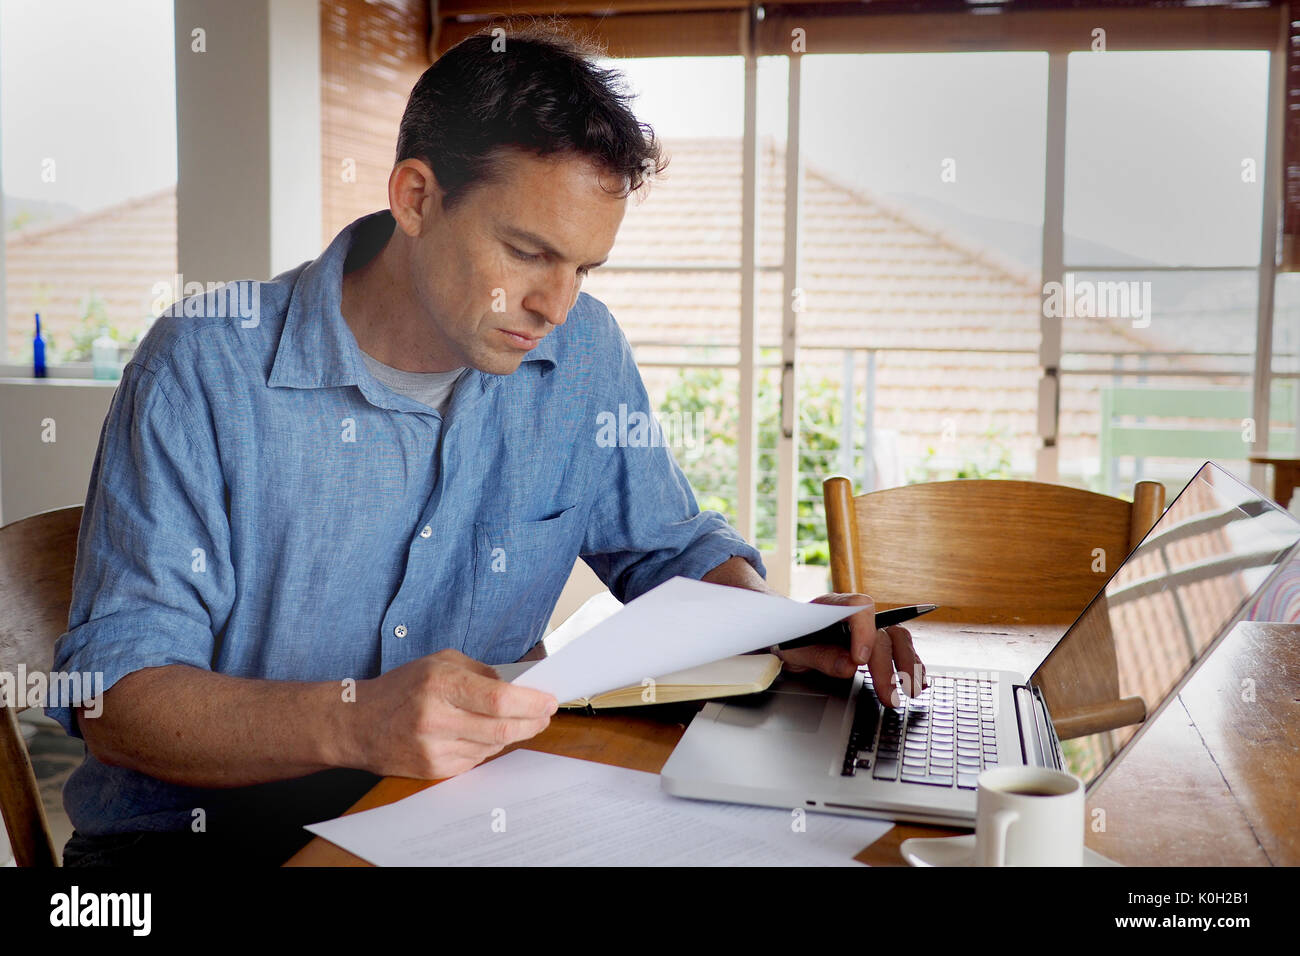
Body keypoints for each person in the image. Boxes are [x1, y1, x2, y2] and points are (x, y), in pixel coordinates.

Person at [48, 23, 926, 866]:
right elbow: (115, 699)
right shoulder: (206, 365)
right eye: (527, 252)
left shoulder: (581, 353)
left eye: (584, 268)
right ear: (416, 198)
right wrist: (357, 721)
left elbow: (667, 546)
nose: (556, 306)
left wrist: (772, 622)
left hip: (461, 816)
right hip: (200, 846)